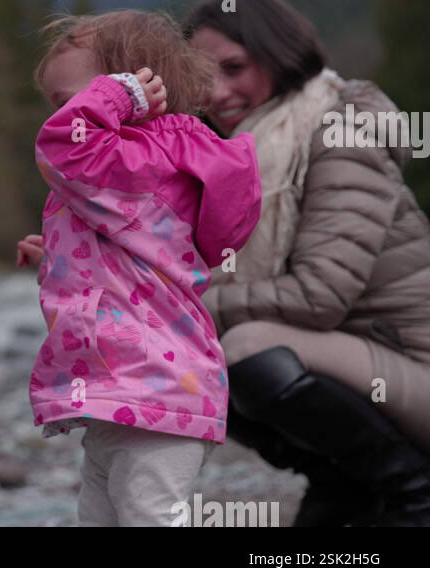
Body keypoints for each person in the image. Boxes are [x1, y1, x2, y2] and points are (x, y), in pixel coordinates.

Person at [179, 0, 430, 525]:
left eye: (234, 68)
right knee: (179, 354)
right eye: (200, 75)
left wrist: (185, 303)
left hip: (415, 372)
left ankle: (414, 492)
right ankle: (343, 485)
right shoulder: (226, 155)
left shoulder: (340, 132)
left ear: (280, 54)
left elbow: (319, 296)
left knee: (243, 347)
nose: (216, 92)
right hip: (357, 364)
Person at [24, 10, 261, 526]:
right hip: (126, 386)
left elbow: (61, 145)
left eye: (69, 103)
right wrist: (55, 258)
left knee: (151, 516)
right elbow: (133, 255)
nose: (58, 118)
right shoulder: (127, 168)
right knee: (102, 515)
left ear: (134, 88)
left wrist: (117, 96)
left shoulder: (143, 157)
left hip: (153, 382)